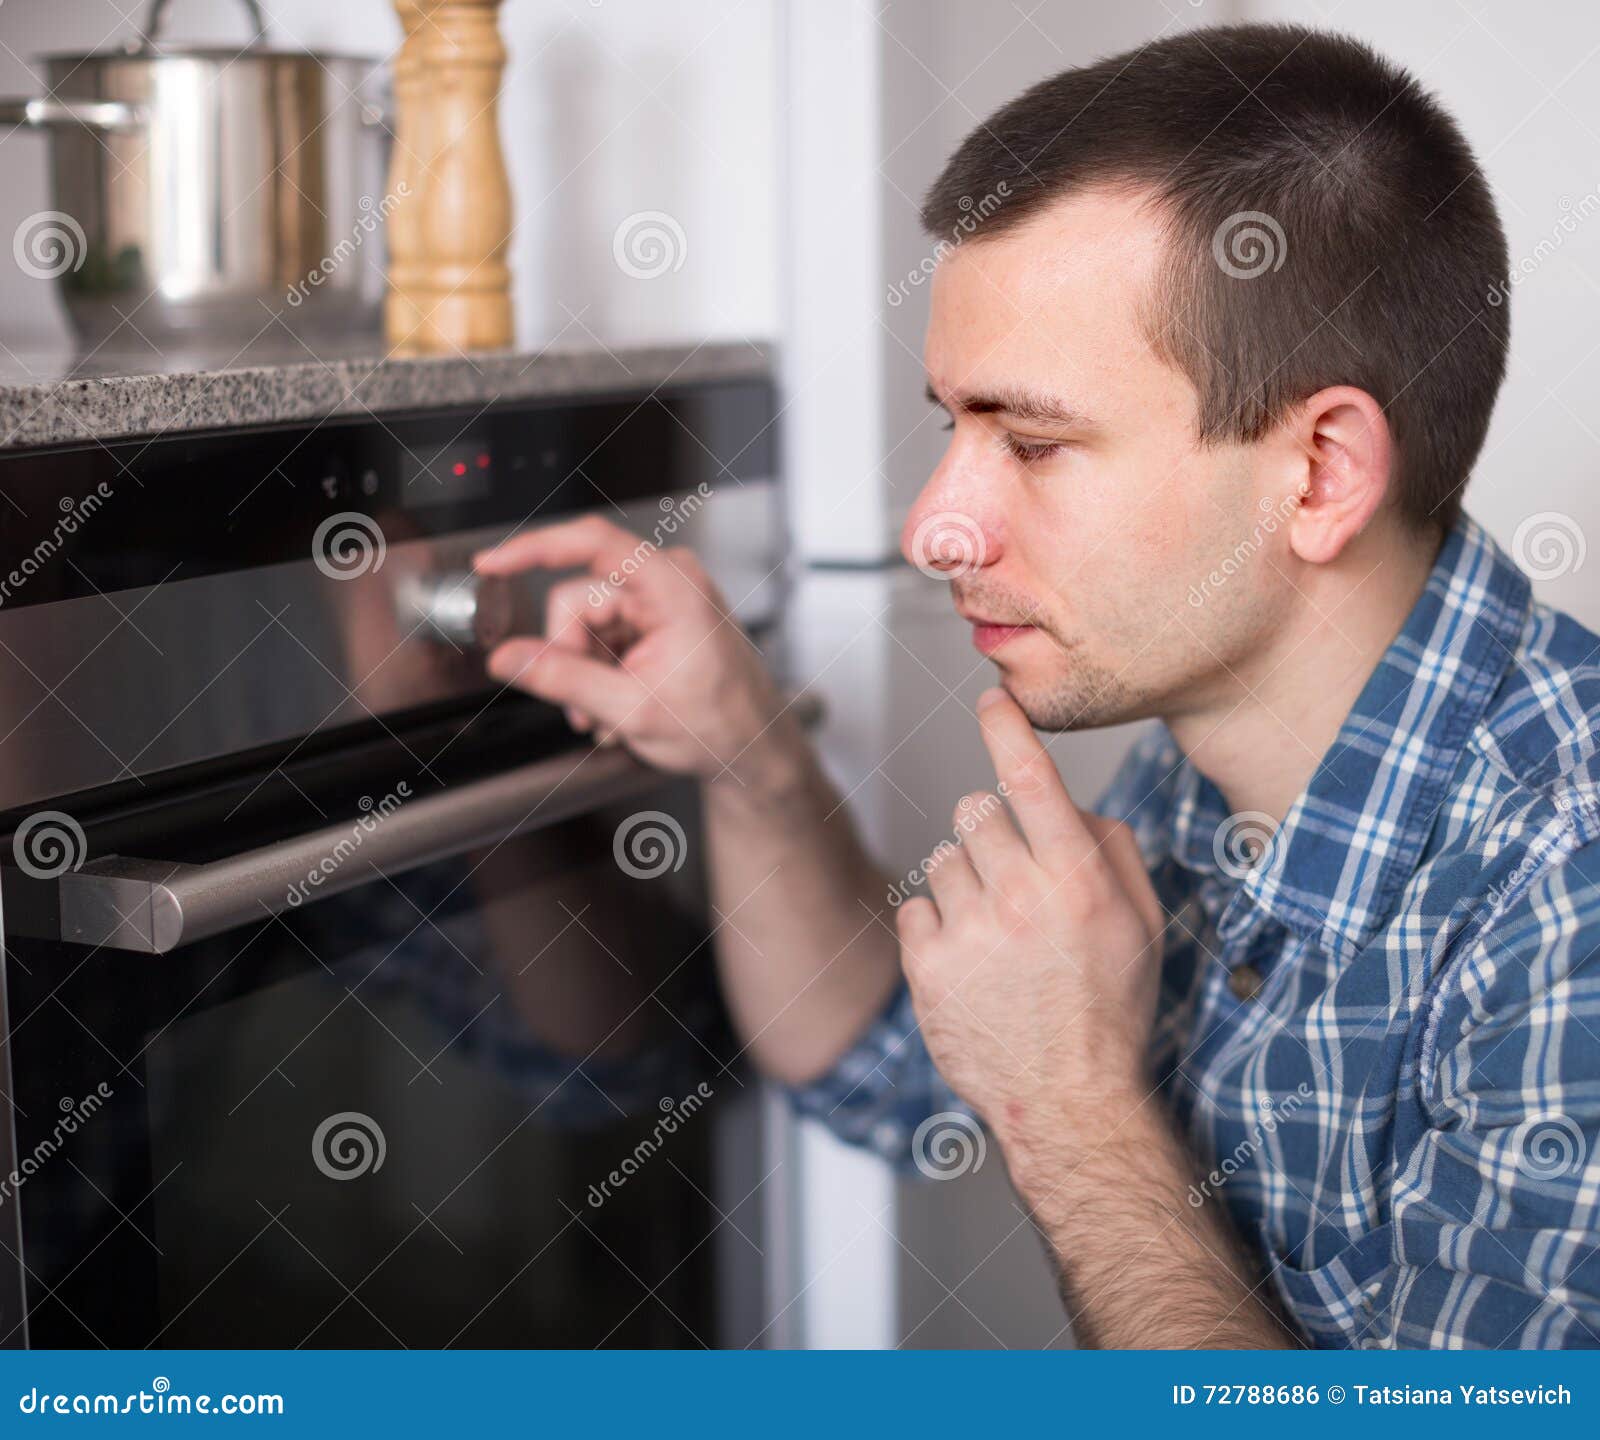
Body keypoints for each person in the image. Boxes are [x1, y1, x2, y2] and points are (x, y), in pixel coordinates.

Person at [474, 23, 1600, 1349]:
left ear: (1320, 473)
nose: (934, 529)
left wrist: (1072, 1106)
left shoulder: (1565, 873)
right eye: (957, 427)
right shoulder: (1223, 743)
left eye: (1038, 442)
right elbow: (881, 1072)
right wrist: (746, 753)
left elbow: (1042, 1090)